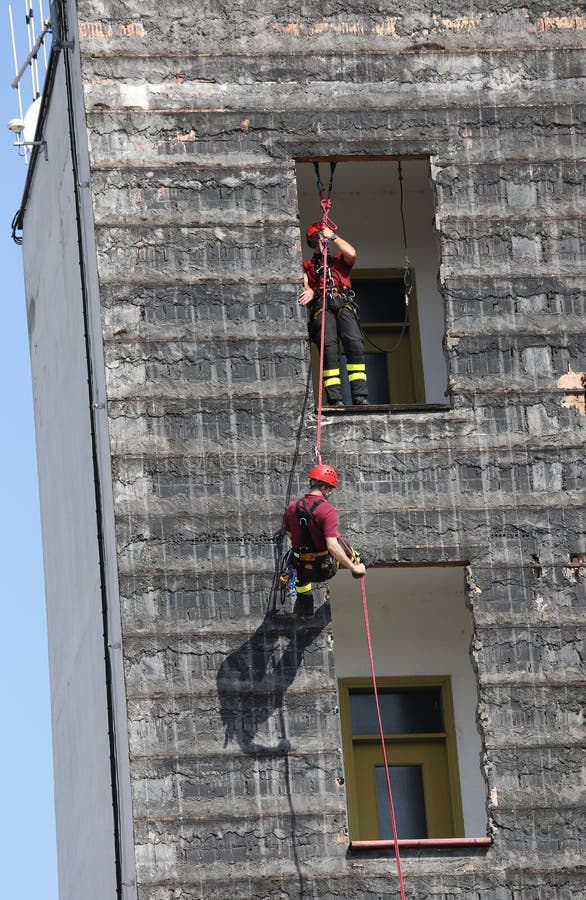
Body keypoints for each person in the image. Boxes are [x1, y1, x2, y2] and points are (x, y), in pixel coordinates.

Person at [299, 222, 368, 407]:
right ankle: (335, 398)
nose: (324, 242)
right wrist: (312, 291)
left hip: (343, 301)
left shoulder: (339, 260)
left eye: (325, 239)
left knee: (354, 343)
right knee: (328, 349)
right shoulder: (307, 266)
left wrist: (333, 237)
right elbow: (306, 286)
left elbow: (352, 254)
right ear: (313, 242)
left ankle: (360, 395)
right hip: (322, 306)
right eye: (320, 239)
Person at [284, 463, 367, 617]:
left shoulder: (291, 507)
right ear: (324, 488)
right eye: (329, 489)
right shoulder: (327, 510)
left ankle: (306, 603)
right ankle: (358, 565)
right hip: (324, 569)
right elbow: (332, 546)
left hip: (302, 569)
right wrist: (352, 568)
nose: (329, 493)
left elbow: (290, 535)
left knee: (298, 569)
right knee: (345, 546)